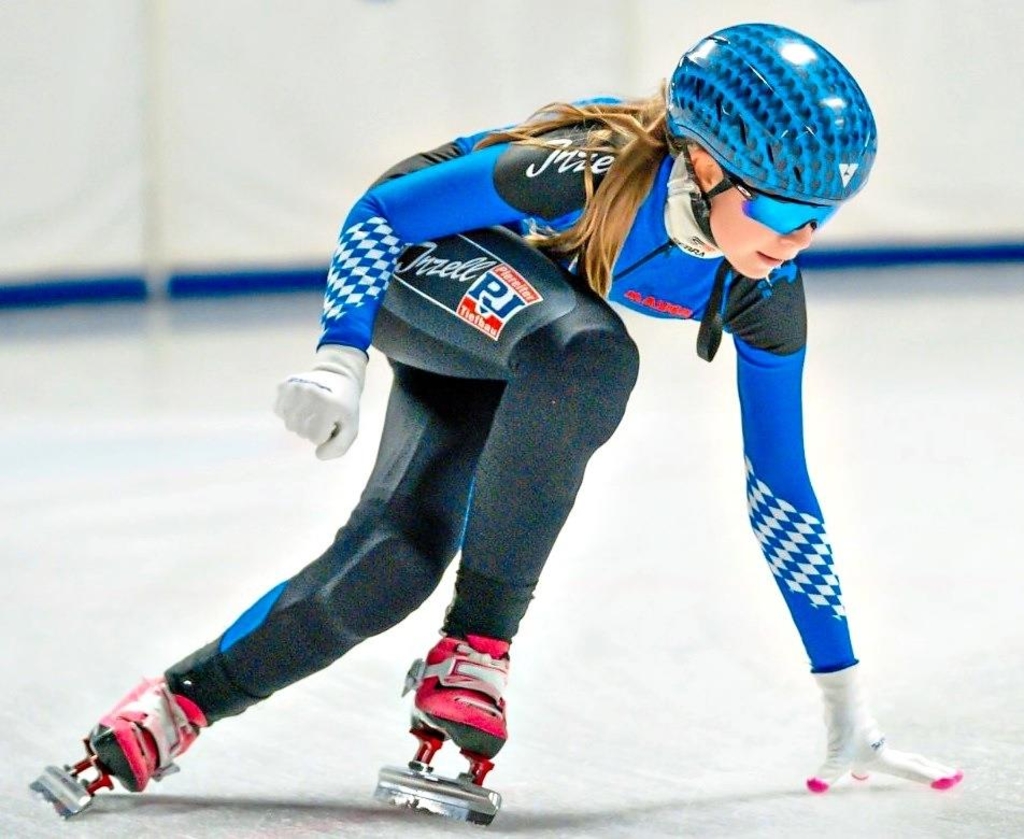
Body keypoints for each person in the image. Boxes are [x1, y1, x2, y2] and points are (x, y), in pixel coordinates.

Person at [37, 22, 962, 817]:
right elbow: (380, 214)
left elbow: (781, 491)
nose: (800, 238)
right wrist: (339, 355)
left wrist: (843, 695)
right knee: (589, 351)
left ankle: (174, 705)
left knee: (393, 562)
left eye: (823, 217)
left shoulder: (763, 290)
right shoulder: (591, 169)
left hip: (519, 336)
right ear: (706, 165)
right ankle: (478, 645)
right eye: (786, 208)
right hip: (418, 264)